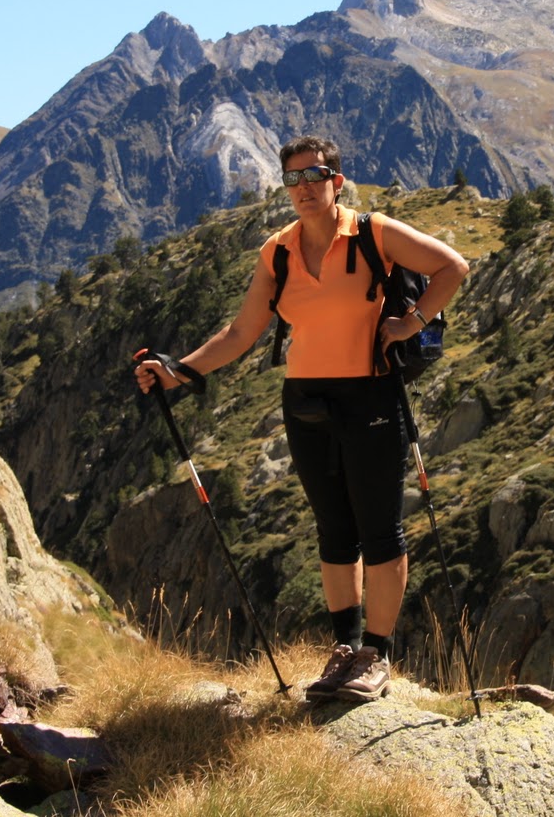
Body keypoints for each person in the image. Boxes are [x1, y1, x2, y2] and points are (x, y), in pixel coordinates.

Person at [135, 135, 469, 702]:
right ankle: (346, 647)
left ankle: (377, 655)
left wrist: (412, 322)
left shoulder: (373, 233)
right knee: (335, 531)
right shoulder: (280, 252)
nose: (304, 188)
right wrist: (180, 372)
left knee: (380, 531)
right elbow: (242, 332)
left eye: (315, 176)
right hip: (306, 402)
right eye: (293, 179)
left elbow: (452, 267)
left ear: (336, 181)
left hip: (371, 398)